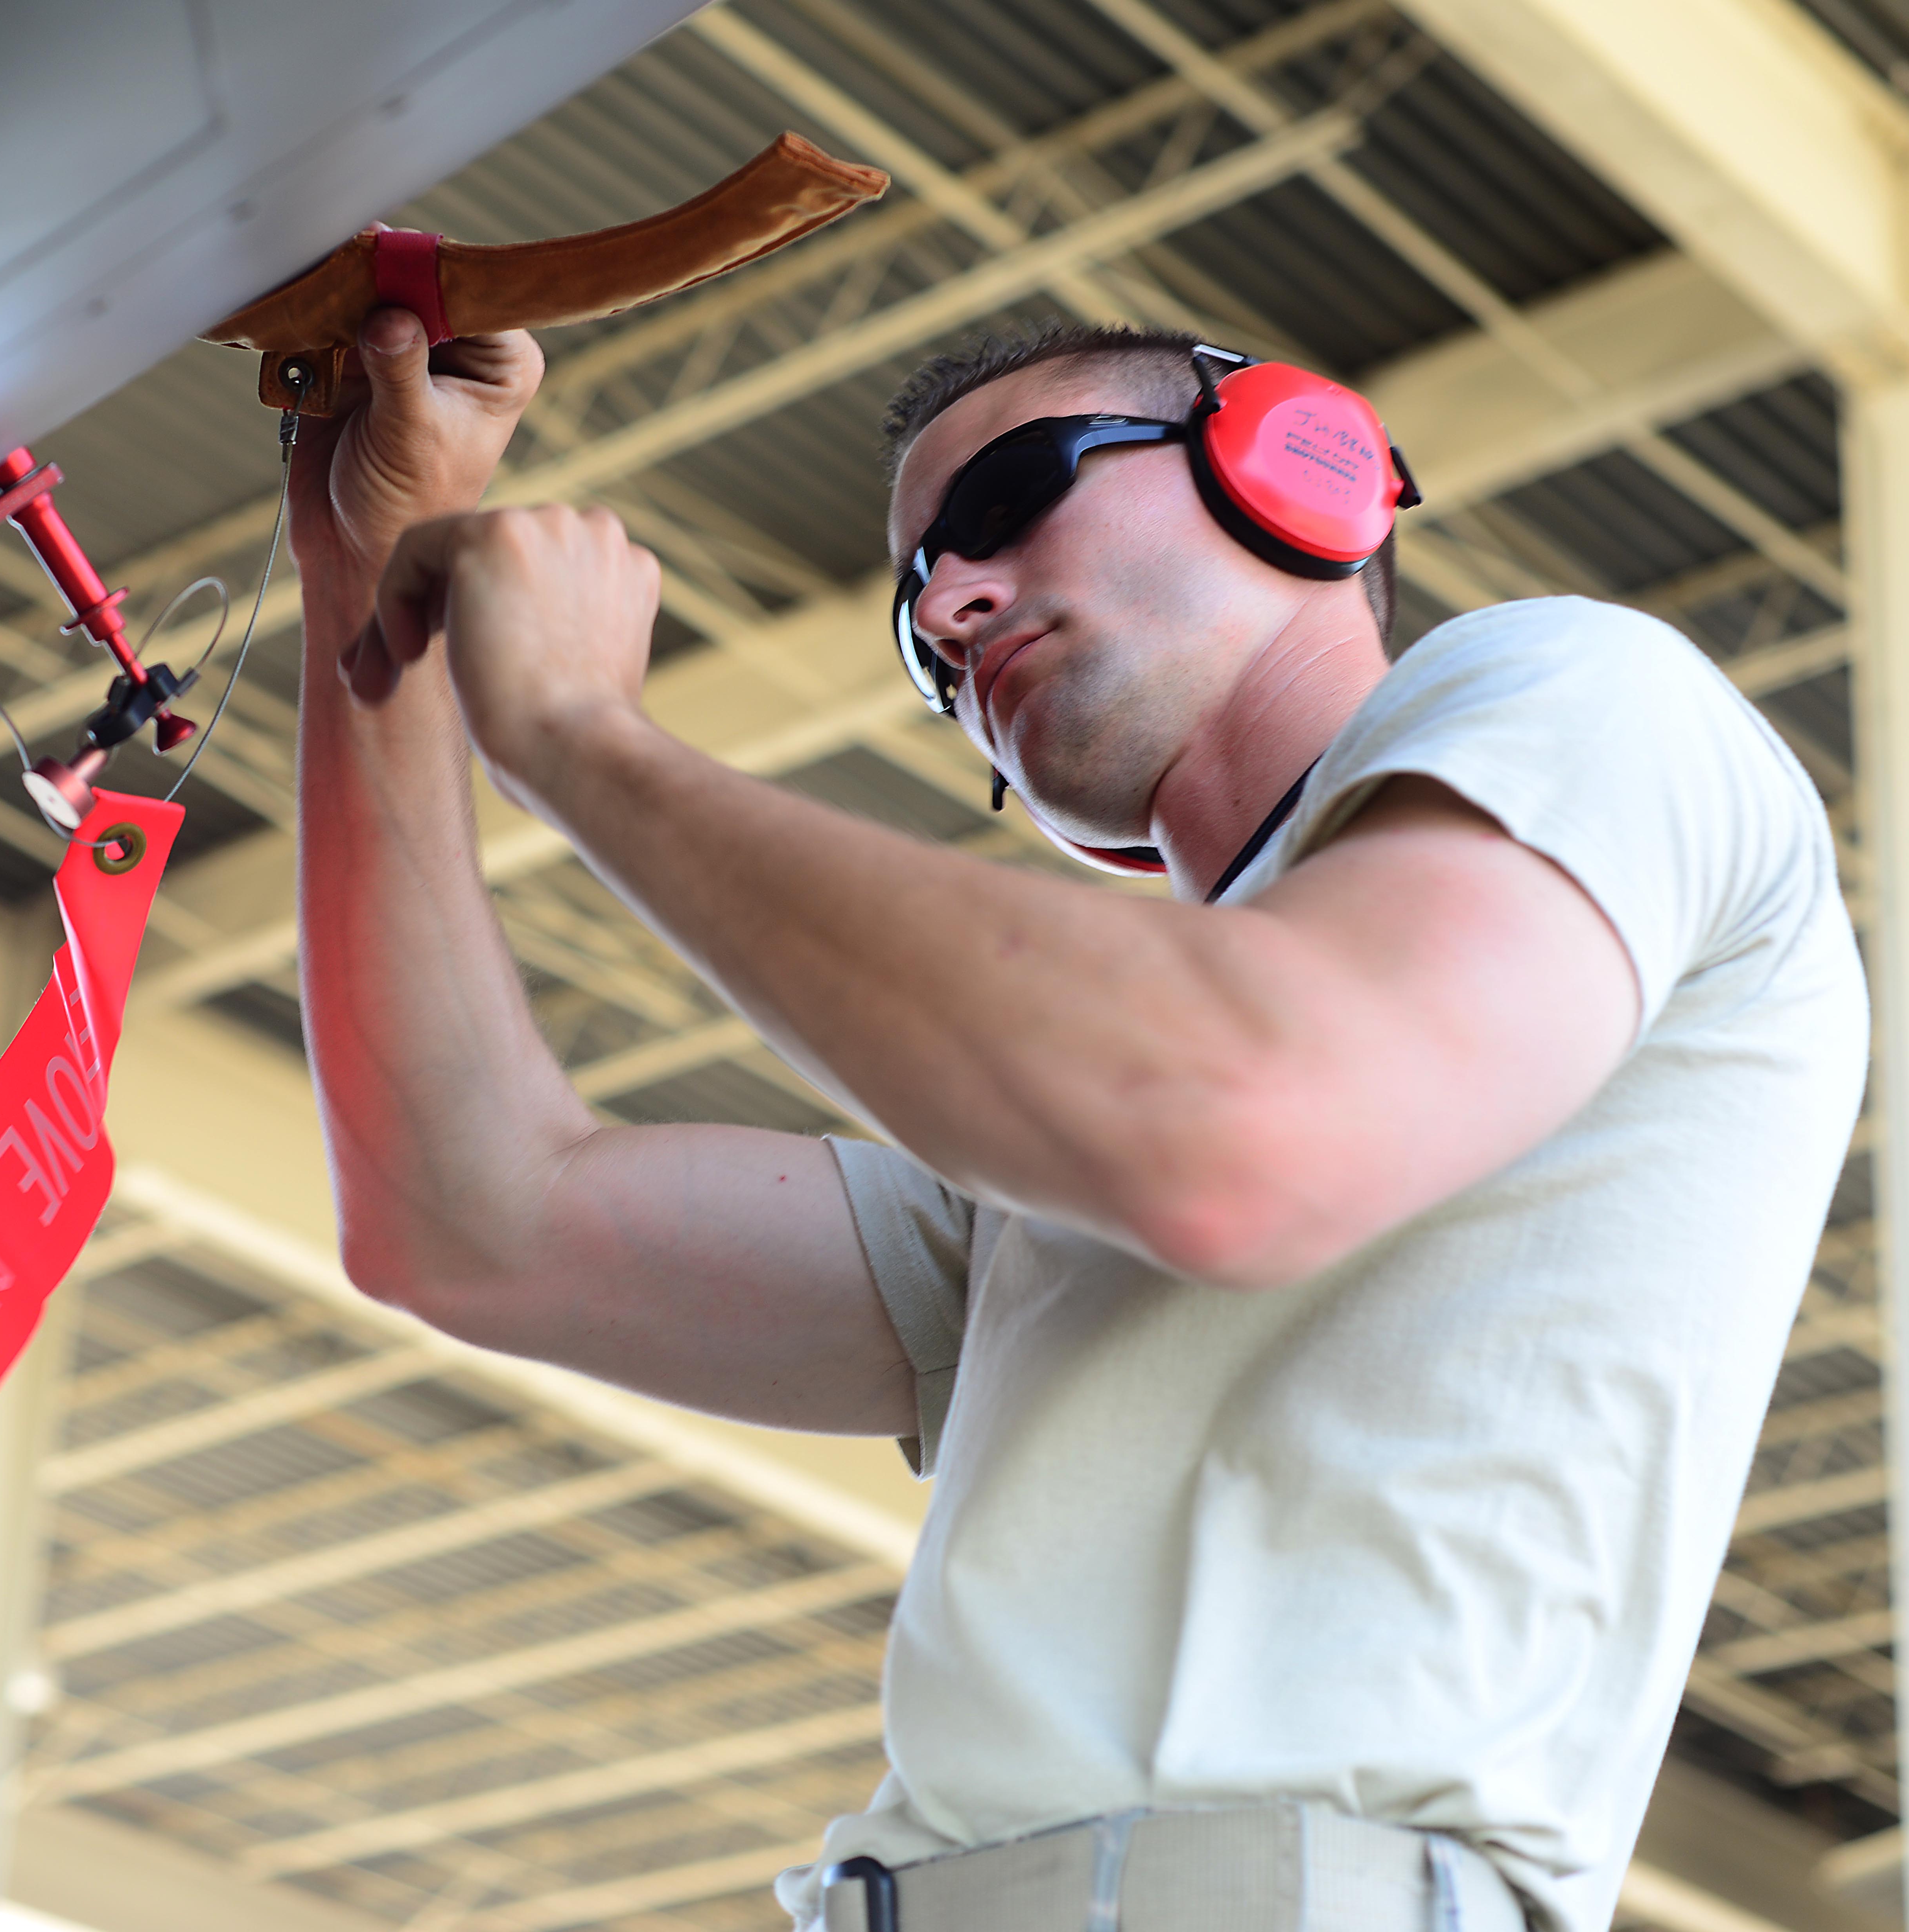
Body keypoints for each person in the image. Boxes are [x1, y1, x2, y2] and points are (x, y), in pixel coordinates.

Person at [284, 302, 1866, 1932]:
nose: (950, 609)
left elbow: (1237, 1129)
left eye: (1003, 505)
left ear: (1291, 472)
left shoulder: (1590, 694)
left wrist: (579, 736)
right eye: (913, 619)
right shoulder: (1042, 1198)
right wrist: (373, 586)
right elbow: (468, 1220)